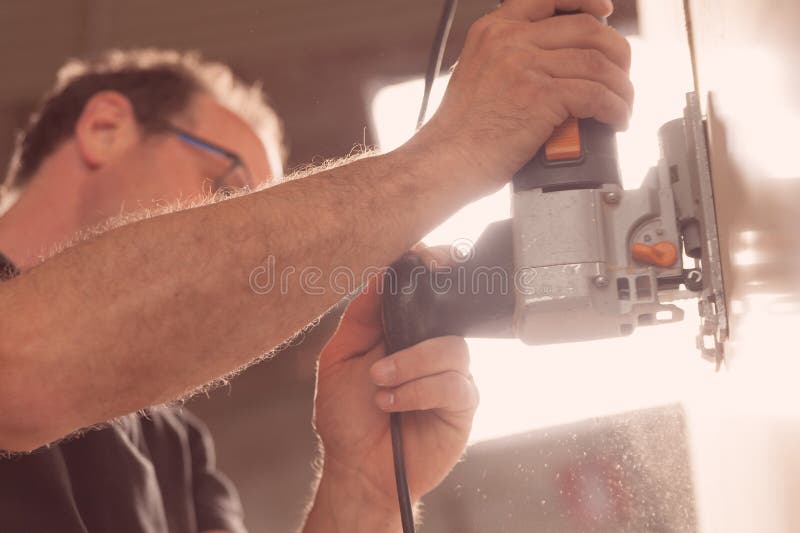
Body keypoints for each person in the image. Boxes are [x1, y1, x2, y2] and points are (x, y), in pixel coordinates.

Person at [0, 0, 632, 529]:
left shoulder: (179, 457)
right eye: (227, 192)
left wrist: (362, 493)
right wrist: (449, 154)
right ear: (105, 128)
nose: (243, 243)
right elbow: (18, 370)